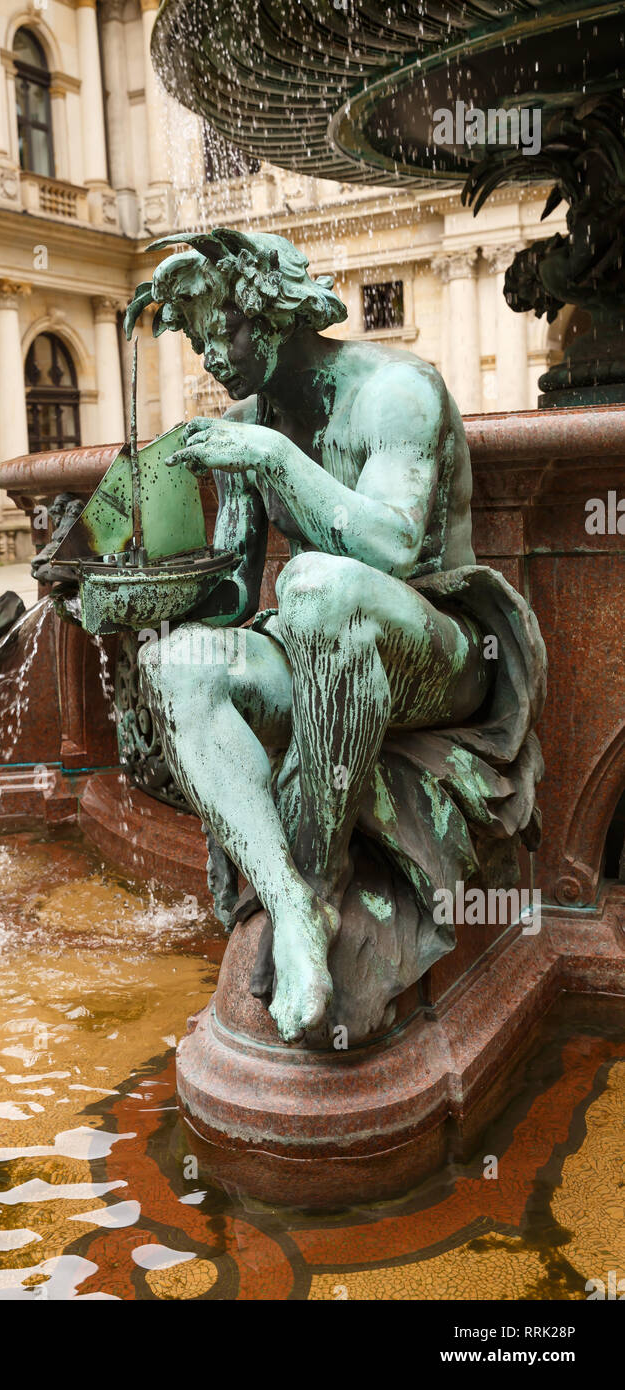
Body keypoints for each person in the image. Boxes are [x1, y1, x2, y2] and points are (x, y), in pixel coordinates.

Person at [123, 229, 545, 1045]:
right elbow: (241, 593)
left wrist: (275, 458)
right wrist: (150, 598)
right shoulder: (250, 422)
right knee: (178, 663)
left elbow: (390, 545)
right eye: (199, 339)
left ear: (275, 313)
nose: (211, 356)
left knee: (315, 584)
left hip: (439, 648)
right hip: (317, 636)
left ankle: (323, 874)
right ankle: (291, 903)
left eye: (224, 331)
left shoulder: (395, 389)